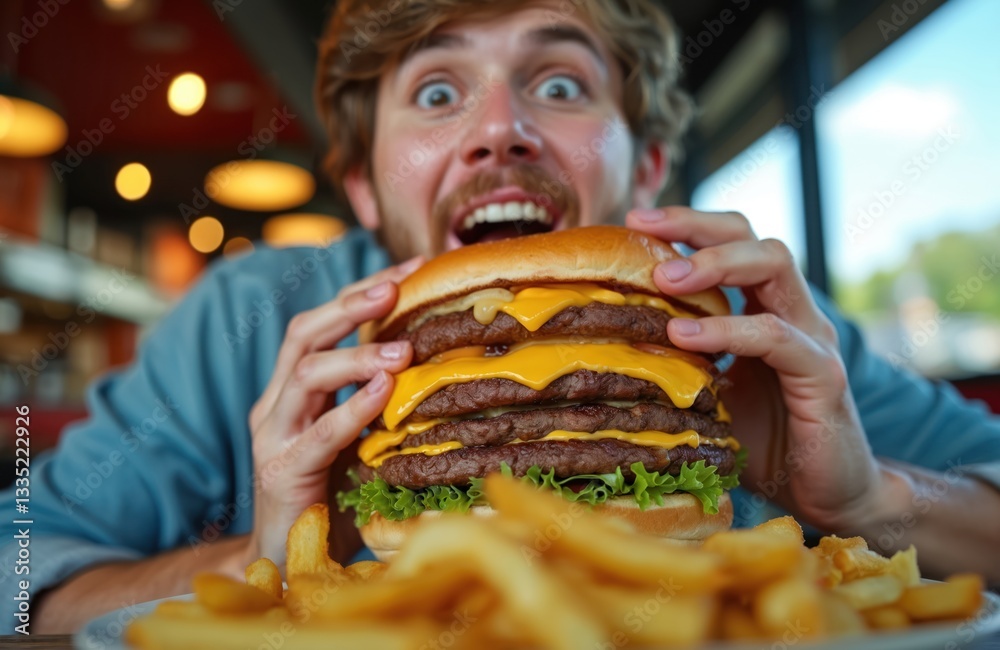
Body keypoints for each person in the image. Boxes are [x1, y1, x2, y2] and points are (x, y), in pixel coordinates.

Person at [4, 0, 1000, 634]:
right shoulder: (254, 316)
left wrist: (874, 499)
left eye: (559, 83)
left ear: (645, 165)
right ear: (360, 183)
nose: (499, 132)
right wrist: (265, 551)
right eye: (438, 91)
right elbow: (19, 562)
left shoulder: (751, 323)